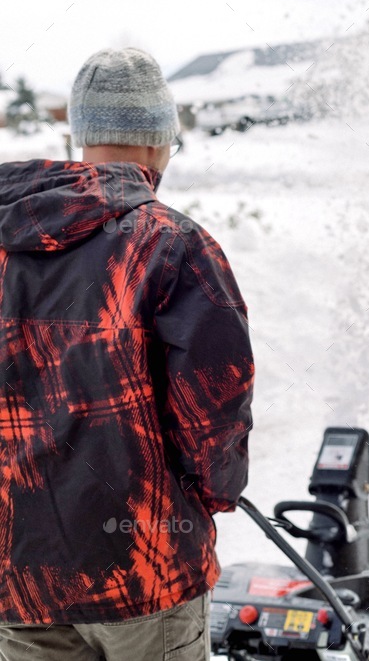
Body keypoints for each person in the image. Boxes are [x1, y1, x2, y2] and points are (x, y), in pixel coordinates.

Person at [0, 48, 255, 660]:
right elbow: (215, 406)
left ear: (81, 137)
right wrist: (214, 493)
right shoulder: (172, 243)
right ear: (158, 140)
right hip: (144, 573)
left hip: (18, 576)